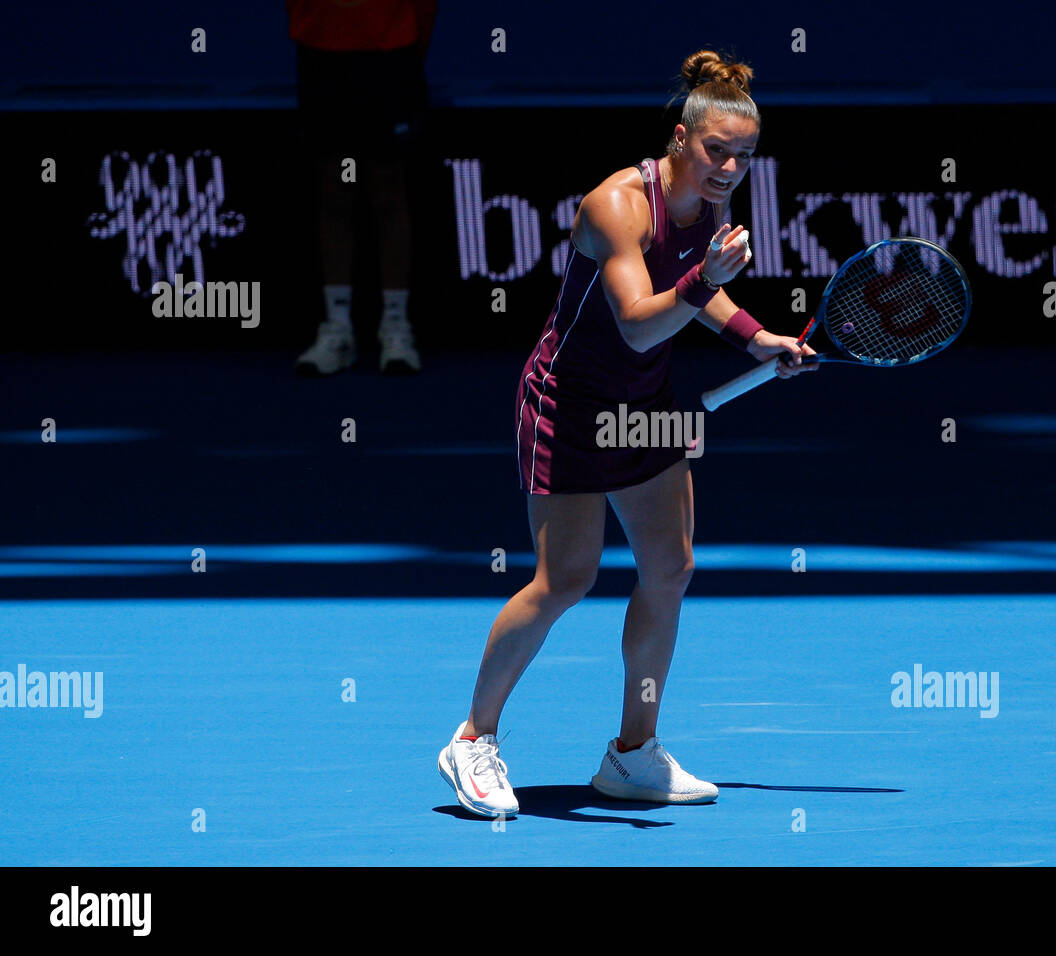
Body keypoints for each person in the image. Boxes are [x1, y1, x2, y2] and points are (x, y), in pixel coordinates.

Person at [438, 49, 816, 817]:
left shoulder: (709, 207)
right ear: (680, 139)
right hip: (568, 405)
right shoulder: (615, 206)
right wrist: (708, 280)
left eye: (744, 158)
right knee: (565, 579)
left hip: (644, 405)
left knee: (670, 569)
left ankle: (632, 753)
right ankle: (472, 739)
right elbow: (643, 324)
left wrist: (754, 337)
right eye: (717, 151)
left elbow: (690, 301)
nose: (730, 169)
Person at [288, 0, 438, 375]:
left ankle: (395, 326)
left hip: (390, 51)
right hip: (322, 51)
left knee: (389, 189)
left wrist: (406, 42)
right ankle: (338, 328)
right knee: (334, 189)